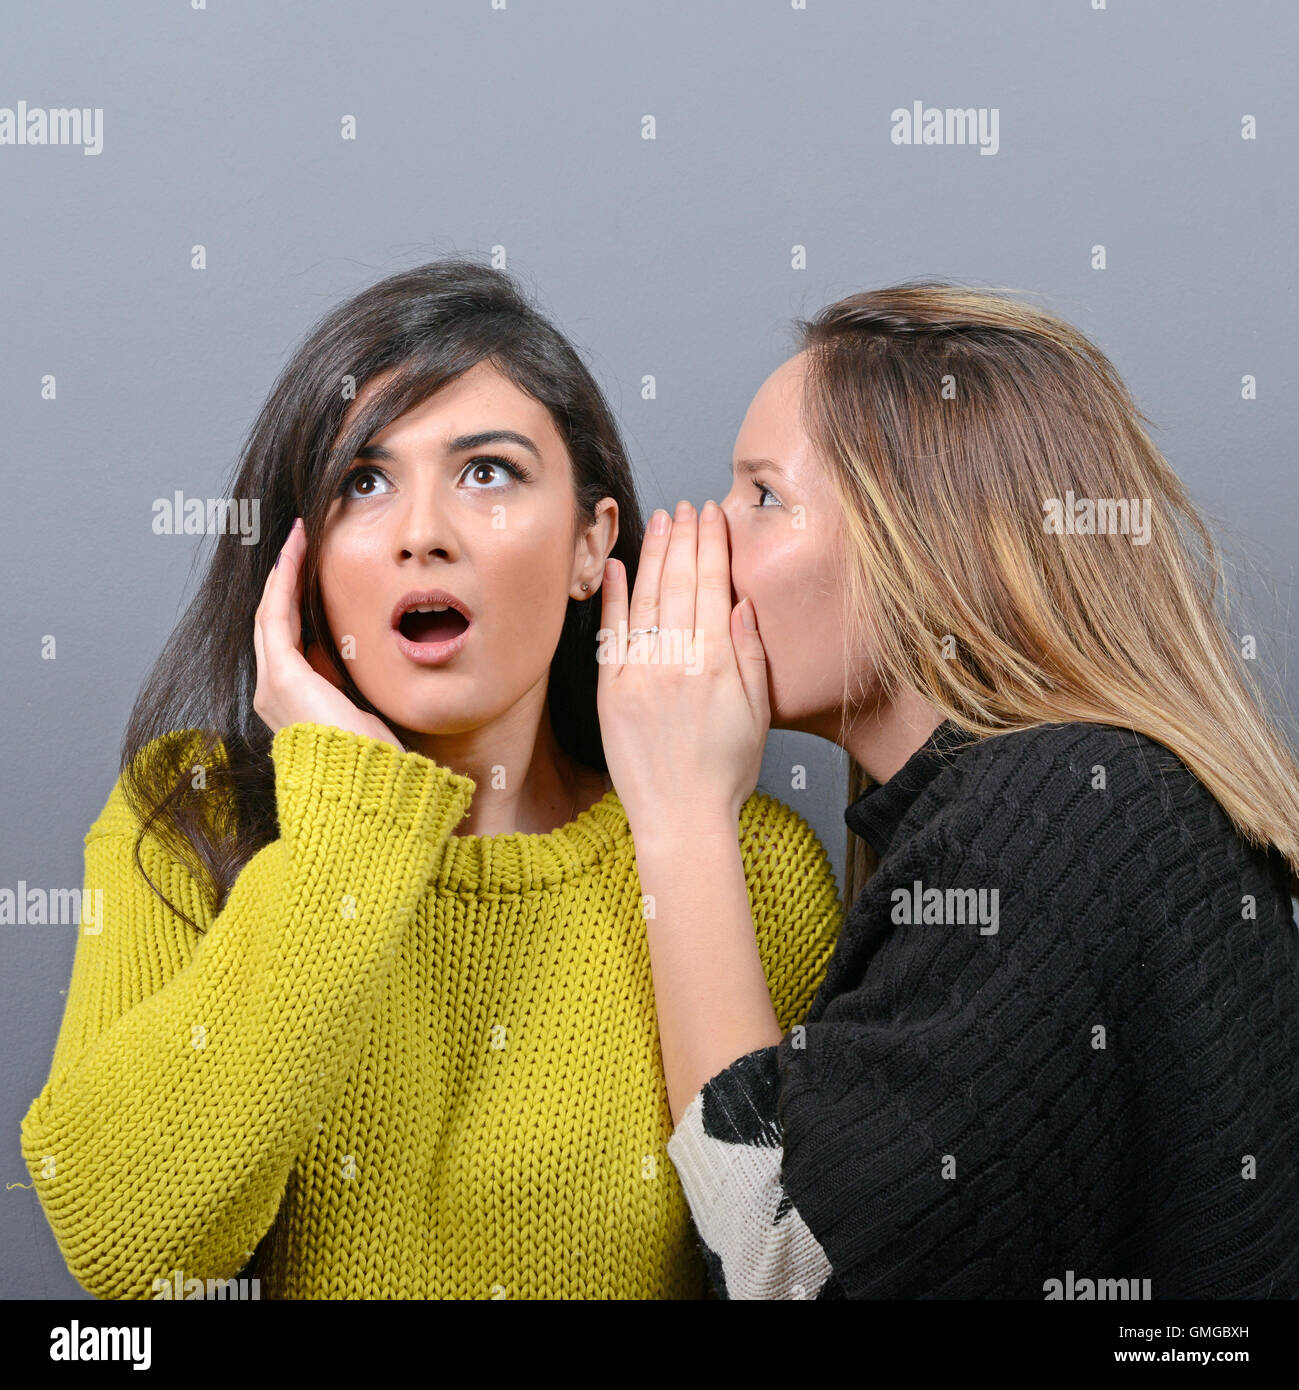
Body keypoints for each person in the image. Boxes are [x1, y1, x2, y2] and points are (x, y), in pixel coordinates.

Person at [19, 259, 842, 1299]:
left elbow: (807, 1277)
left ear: (593, 544)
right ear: (305, 559)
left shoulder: (749, 862)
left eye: (487, 472)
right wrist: (351, 820)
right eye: (363, 482)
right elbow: (130, 1246)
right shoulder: (189, 816)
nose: (421, 533)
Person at [596, 280, 1299, 1299]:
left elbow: (788, 1269)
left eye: (763, 497)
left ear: (924, 543)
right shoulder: (1071, 803)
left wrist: (679, 816)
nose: (707, 540)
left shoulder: (1067, 815)